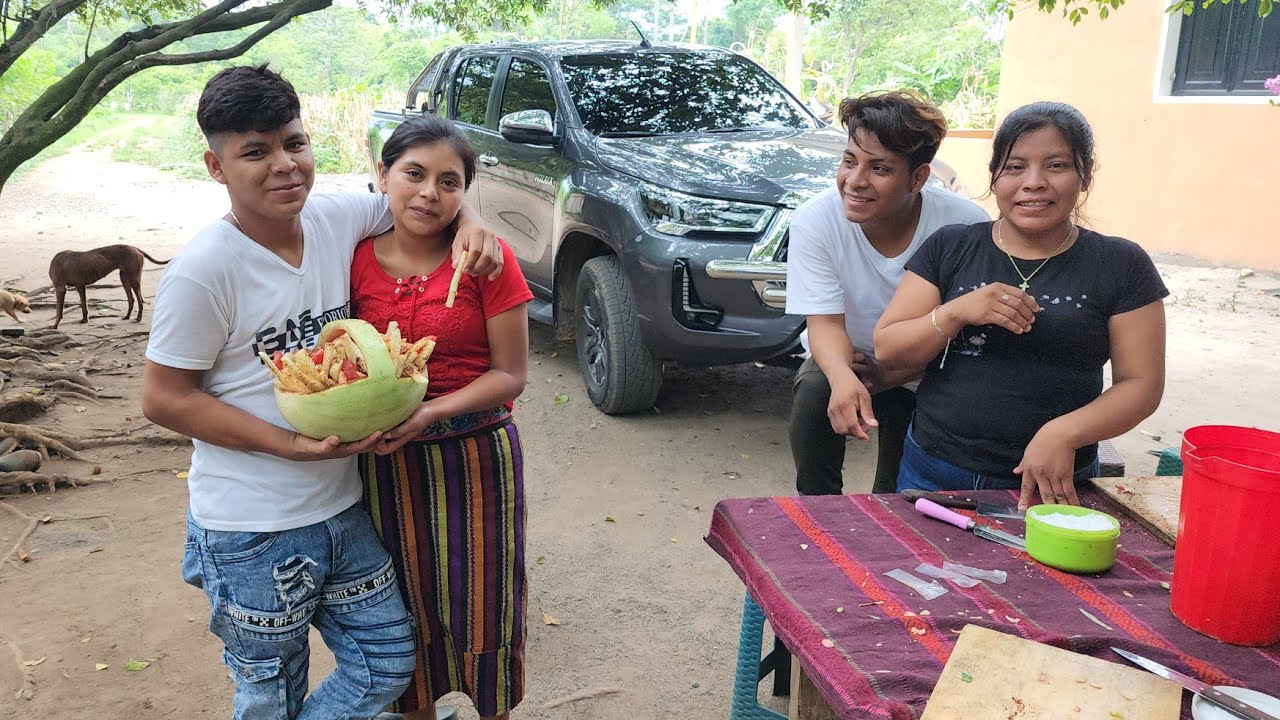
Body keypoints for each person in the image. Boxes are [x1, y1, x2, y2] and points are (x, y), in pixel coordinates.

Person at [141, 65, 499, 719]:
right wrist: (288, 445)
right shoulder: (203, 271)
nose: (284, 166)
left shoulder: (336, 218)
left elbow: (423, 192)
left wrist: (472, 217)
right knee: (272, 693)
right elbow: (164, 398)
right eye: (256, 152)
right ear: (216, 167)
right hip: (250, 530)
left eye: (294, 143)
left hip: (339, 507)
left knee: (389, 656)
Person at [873, 101, 1167, 510]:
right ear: (994, 176)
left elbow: (1142, 385)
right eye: (1014, 167)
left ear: (1085, 174)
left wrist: (1063, 433)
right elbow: (888, 348)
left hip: (1054, 482)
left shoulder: (1121, 264)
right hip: (933, 469)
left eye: (1056, 165)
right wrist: (956, 312)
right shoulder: (952, 246)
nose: (1034, 182)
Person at [354, 115, 533, 720]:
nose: (430, 192)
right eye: (414, 173)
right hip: (386, 464)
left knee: (486, 603)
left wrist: (431, 412)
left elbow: (511, 374)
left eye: (449, 181)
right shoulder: (352, 260)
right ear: (383, 175)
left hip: (479, 457)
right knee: (403, 606)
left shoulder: (488, 260)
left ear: (465, 193)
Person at [785, 91, 990, 497]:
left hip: (928, 361)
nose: (855, 181)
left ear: (918, 178)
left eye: (879, 168)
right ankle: (820, 511)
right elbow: (824, 323)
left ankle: (892, 518)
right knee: (815, 390)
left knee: (898, 491)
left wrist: (899, 373)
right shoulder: (815, 219)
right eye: (849, 162)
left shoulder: (965, 225)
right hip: (853, 356)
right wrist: (843, 378)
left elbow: (966, 329)